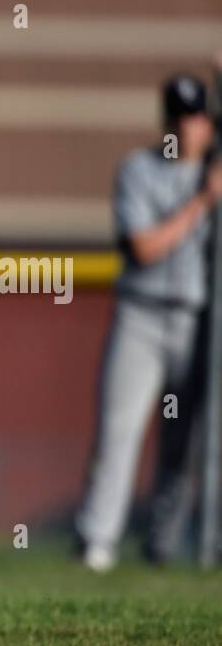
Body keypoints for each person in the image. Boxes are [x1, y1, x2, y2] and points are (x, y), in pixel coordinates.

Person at [75, 73, 222, 571]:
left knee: (184, 441)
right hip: (141, 314)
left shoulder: (214, 167)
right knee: (119, 430)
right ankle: (97, 542)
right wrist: (202, 202)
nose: (187, 127)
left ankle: (164, 543)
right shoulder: (138, 170)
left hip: (197, 321)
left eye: (196, 117)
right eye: (178, 117)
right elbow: (144, 247)